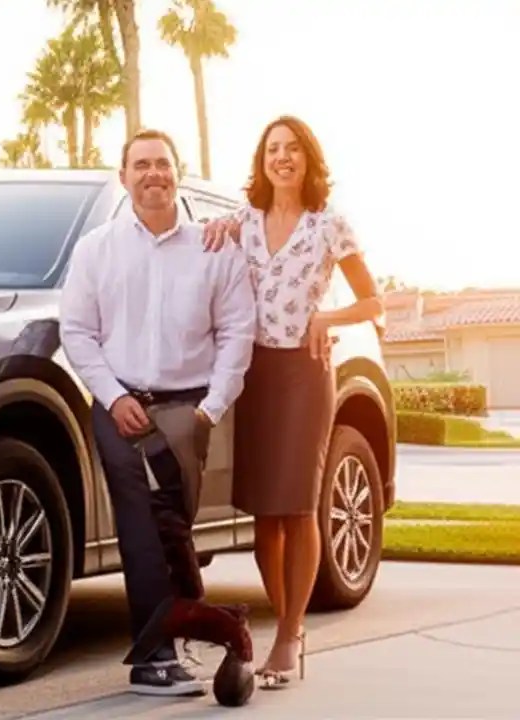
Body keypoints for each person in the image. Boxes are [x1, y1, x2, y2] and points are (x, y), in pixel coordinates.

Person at [59, 128, 258, 696]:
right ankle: (155, 658)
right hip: (119, 405)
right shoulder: (97, 249)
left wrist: (210, 410)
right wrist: (113, 396)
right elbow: (77, 331)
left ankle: (202, 624)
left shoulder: (214, 248)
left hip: (187, 412)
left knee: (172, 527)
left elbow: (237, 331)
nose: (153, 174)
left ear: (179, 172)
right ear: (123, 176)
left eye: (162, 164)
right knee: (141, 522)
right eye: (141, 164)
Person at [200, 114, 383, 688]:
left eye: (292, 149)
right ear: (262, 161)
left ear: (308, 159)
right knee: (264, 516)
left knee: (299, 505)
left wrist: (326, 317)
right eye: (272, 149)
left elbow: (373, 303)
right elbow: (194, 250)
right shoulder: (242, 223)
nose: (282, 157)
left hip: (306, 372)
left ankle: (288, 635)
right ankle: (285, 620)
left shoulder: (331, 226)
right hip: (255, 374)